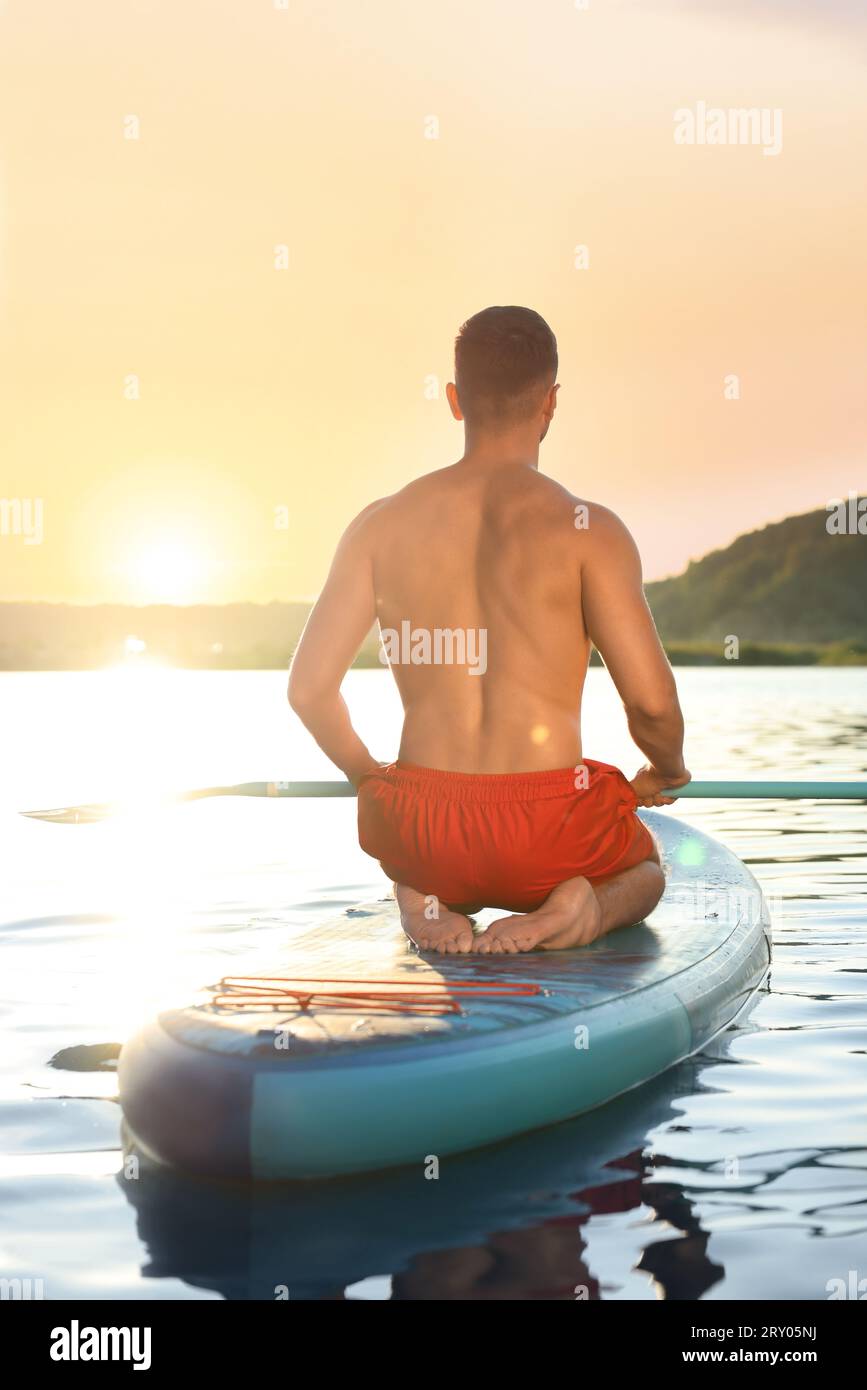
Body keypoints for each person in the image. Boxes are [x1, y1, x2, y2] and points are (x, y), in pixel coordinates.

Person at [288, 306, 691, 955]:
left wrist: (371, 781)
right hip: (545, 828)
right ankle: (576, 911)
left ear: (454, 400)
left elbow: (309, 691)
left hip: (419, 827)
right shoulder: (589, 530)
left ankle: (421, 900)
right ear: (551, 403)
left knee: (413, 852)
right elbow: (649, 701)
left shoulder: (379, 524)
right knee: (643, 872)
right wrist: (663, 770)